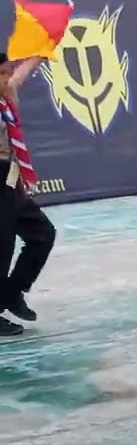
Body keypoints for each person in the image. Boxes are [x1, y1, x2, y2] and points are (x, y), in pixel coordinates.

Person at [0, 53, 56, 338]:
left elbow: (18, 78)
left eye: (8, 72)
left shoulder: (5, 95)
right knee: (1, 249)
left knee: (43, 233)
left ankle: (11, 292)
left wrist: (38, 56)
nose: (8, 78)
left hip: (9, 180)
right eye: (2, 74)